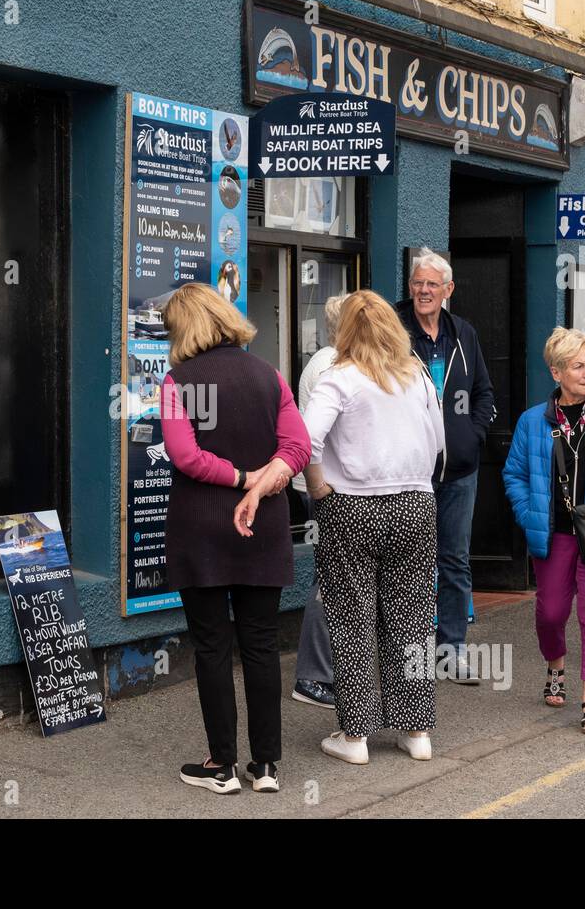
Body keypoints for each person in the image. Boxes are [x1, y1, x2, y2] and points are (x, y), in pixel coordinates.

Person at [160, 282, 310, 795]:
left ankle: (221, 765)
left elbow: (185, 456)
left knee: (212, 646)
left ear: (185, 329)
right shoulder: (269, 375)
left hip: (200, 529)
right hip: (263, 528)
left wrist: (242, 480)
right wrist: (262, 483)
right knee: (262, 645)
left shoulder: (179, 382)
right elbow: (298, 447)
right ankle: (266, 766)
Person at [292, 290, 444, 764]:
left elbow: (304, 441)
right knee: (413, 619)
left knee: (351, 618)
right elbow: (439, 441)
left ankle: (354, 736)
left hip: (352, 508)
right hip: (416, 504)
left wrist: (318, 488)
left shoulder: (339, 377)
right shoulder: (417, 375)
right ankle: (416, 731)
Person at [503, 329, 585, 734]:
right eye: (578, 366)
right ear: (556, 371)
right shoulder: (533, 420)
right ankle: (555, 664)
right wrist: (528, 512)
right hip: (553, 532)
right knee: (551, 612)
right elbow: (513, 473)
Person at [396, 248, 495, 684]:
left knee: (454, 561)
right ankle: (408, 652)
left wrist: (472, 436)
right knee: (409, 563)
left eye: (432, 284)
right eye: (418, 283)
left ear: (448, 290)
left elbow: (484, 394)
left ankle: (450, 651)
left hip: (458, 471)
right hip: (408, 471)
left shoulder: (463, 333)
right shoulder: (393, 329)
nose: (423, 291)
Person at [291, 294, 346, 709]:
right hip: (327, 485)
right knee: (329, 578)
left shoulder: (334, 360)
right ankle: (312, 676)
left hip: (332, 483)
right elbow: (313, 438)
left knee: (334, 577)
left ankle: (327, 669)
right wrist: (321, 485)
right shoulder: (330, 365)